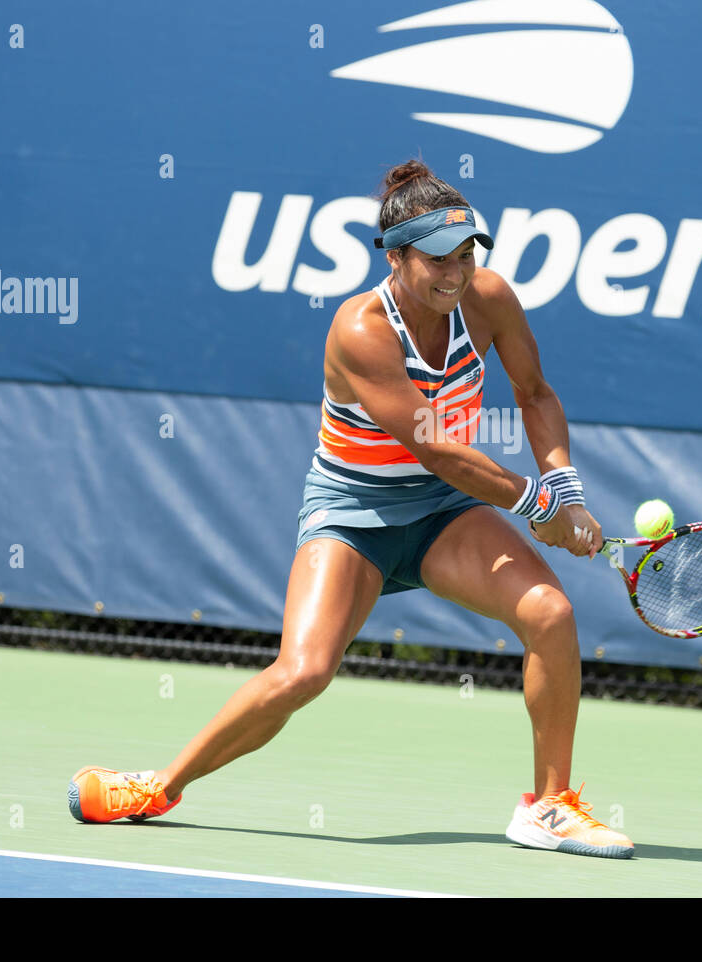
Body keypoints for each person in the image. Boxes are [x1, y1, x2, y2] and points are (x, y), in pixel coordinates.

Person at [68, 160, 634, 859]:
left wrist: (564, 486)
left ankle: (550, 805)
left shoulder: (488, 299)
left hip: (443, 515)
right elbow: (437, 447)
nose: (455, 274)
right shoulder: (360, 330)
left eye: (464, 255)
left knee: (550, 613)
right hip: (353, 513)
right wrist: (532, 500)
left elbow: (536, 393)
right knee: (303, 671)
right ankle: (160, 784)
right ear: (395, 258)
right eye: (435, 260)